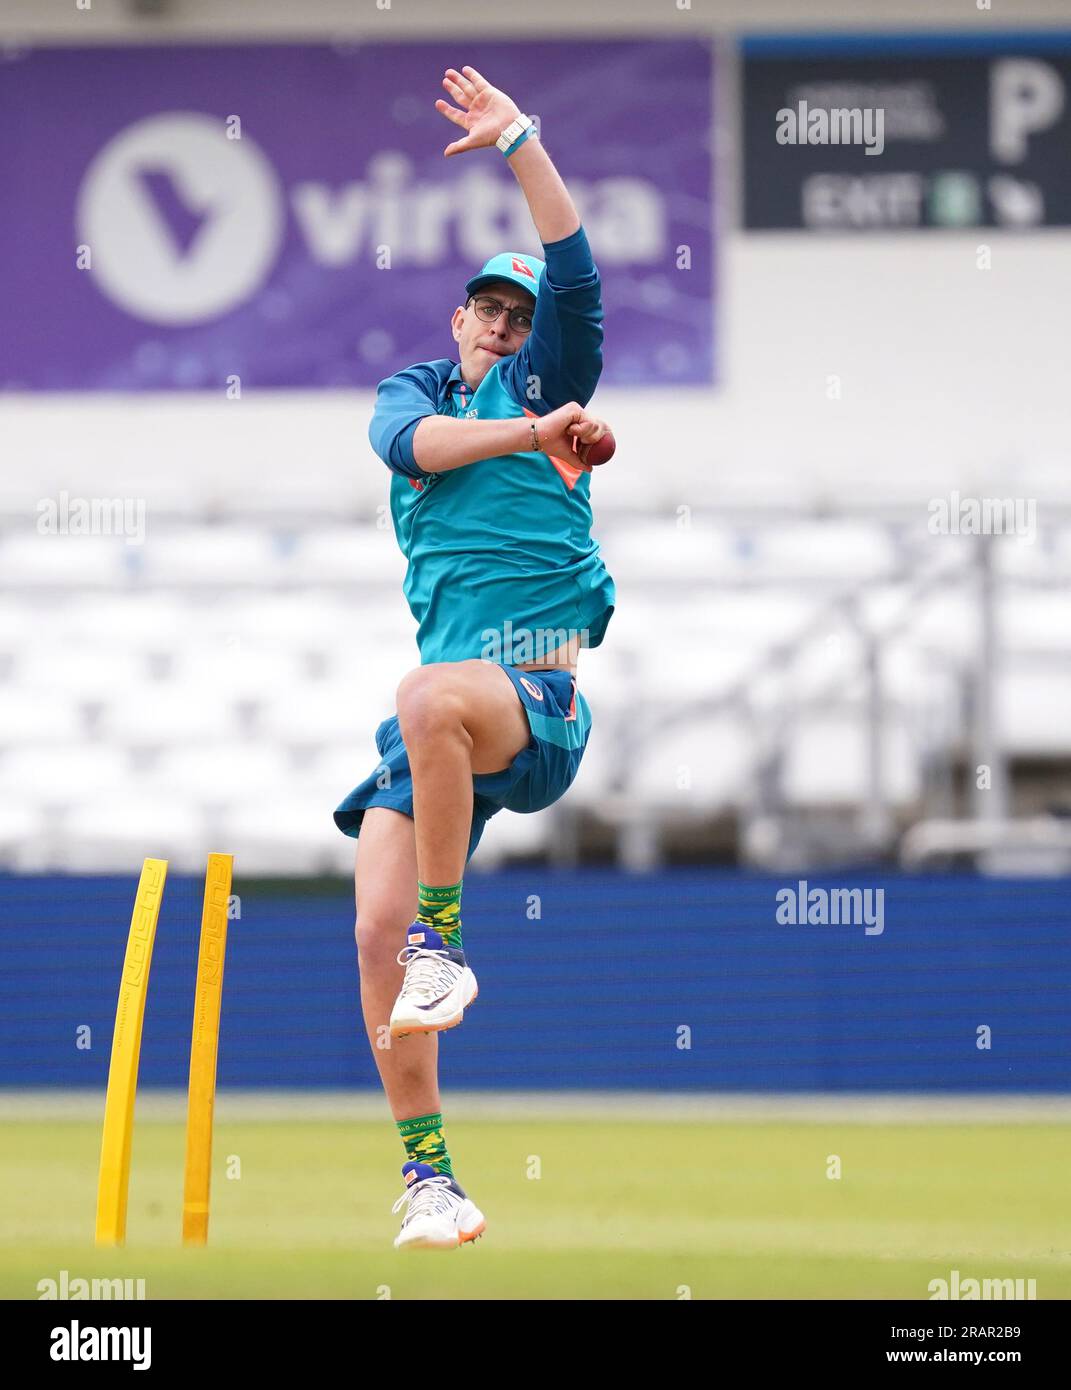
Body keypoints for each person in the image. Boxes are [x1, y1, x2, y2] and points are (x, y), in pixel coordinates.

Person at [334, 65, 615, 1250]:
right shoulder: (421, 397)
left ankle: (446, 942)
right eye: (488, 309)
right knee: (368, 931)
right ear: (458, 321)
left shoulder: (559, 377)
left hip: (531, 694)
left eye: (520, 311)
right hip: (449, 714)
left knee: (425, 697)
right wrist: (534, 433)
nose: (505, 324)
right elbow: (423, 445)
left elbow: (579, 264)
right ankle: (431, 1180)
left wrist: (521, 141)